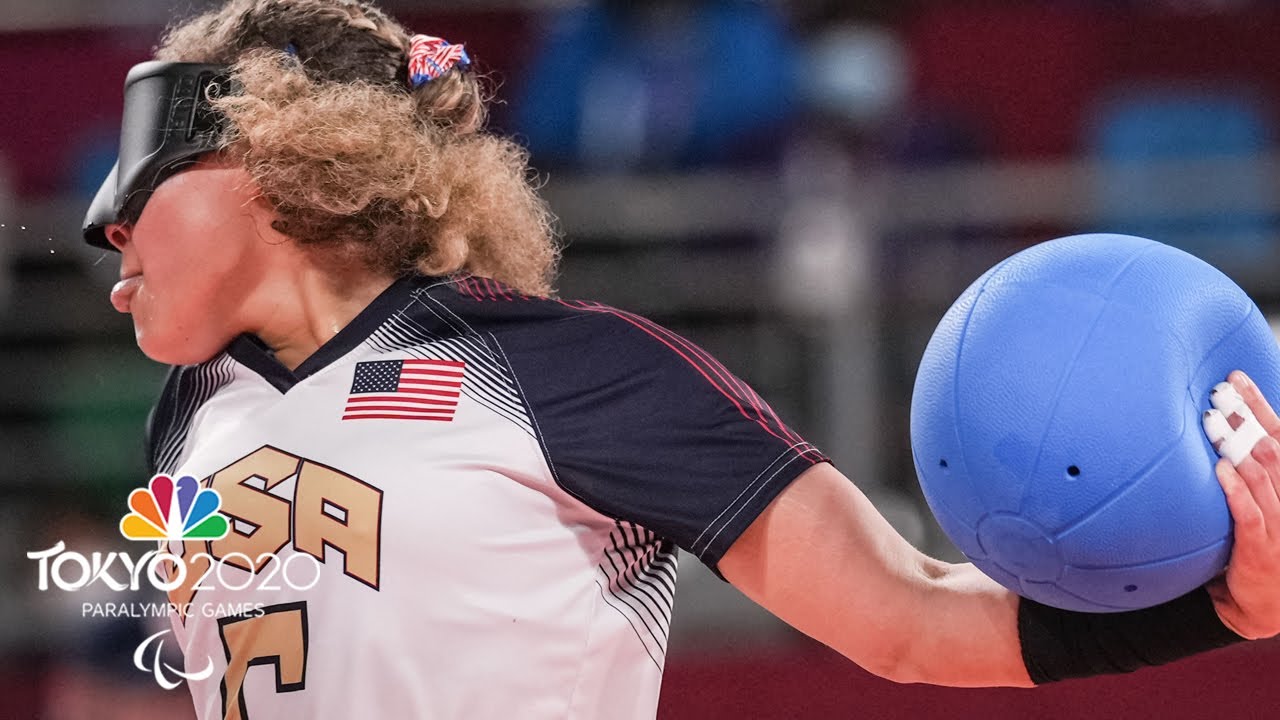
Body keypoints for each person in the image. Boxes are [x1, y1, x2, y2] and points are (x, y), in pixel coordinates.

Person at [82, 1, 1280, 719]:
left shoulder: (572, 377)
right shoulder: (191, 418)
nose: (105, 226)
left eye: (148, 182)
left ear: (285, 166)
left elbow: (908, 619)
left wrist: (1225, 616)